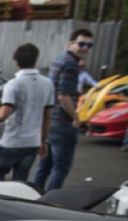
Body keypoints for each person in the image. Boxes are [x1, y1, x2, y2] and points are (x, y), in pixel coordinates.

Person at [32, 28, 93, 192]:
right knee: (61, 167)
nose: (84, 48)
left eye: (89, 45)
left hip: (51, 119)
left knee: (45, 165)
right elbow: (63, 96)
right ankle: (49, 205)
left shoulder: (59, 59)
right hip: (63, 122)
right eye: (81, 44)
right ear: (70, 43)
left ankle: (31, 198)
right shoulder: (71, 64)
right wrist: (76, 117)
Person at [0, 44, 54, 182]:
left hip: (12, 141)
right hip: (32, 142)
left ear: (16, 62)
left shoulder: (14, 84)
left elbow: (3, 114)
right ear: (35, 60)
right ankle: (17, 203)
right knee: (20, 181)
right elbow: (48, 115)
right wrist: (43, 140)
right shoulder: (47, 83)